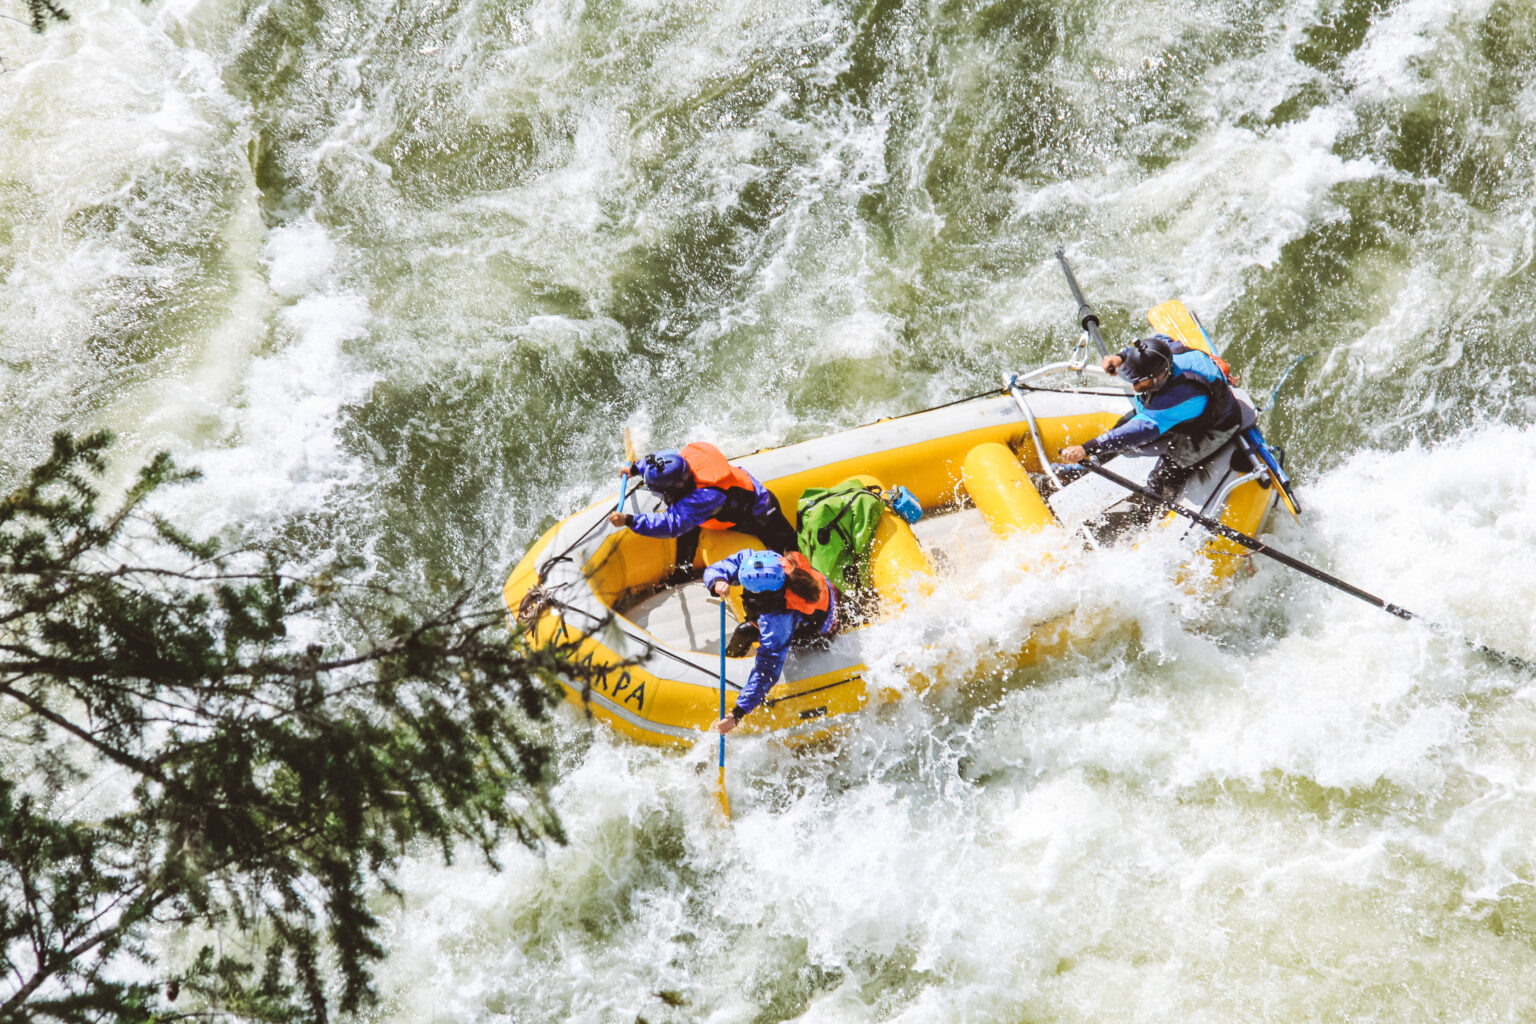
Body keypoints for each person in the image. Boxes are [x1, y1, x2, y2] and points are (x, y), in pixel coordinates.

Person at [1059, 334, 1250, 499]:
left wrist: (1086, 448)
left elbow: (1136, 432)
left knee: (1164, 474)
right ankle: (1089, 467)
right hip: (1178, 415)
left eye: (1138, 381)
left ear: (1159, 378)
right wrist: (1122, 357)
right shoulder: (1165, 349)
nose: (1133, 385)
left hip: (1213, 428)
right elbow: (1153, 342)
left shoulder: (1177, 399)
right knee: (1121, 424)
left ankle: (1152, 508)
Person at [703, 549, 840, 735]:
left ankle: (728, 667)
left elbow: (768, 670)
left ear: (761, 594)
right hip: (823, 598)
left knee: (744, 632)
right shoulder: (768, 562)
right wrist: (717, 580)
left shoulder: (779, 619)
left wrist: (737, 714)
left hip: (815, 631)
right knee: (747, 630)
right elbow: (727, 565)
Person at [607, 443, 798, 571]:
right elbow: (657, 460)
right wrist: (635, 469)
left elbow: (670, 524)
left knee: (789, 552)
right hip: (727, 504)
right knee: (689, 530)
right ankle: (683, 570)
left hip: (759, 512)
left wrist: (630, 520)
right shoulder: (684, 458)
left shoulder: (703, 497)